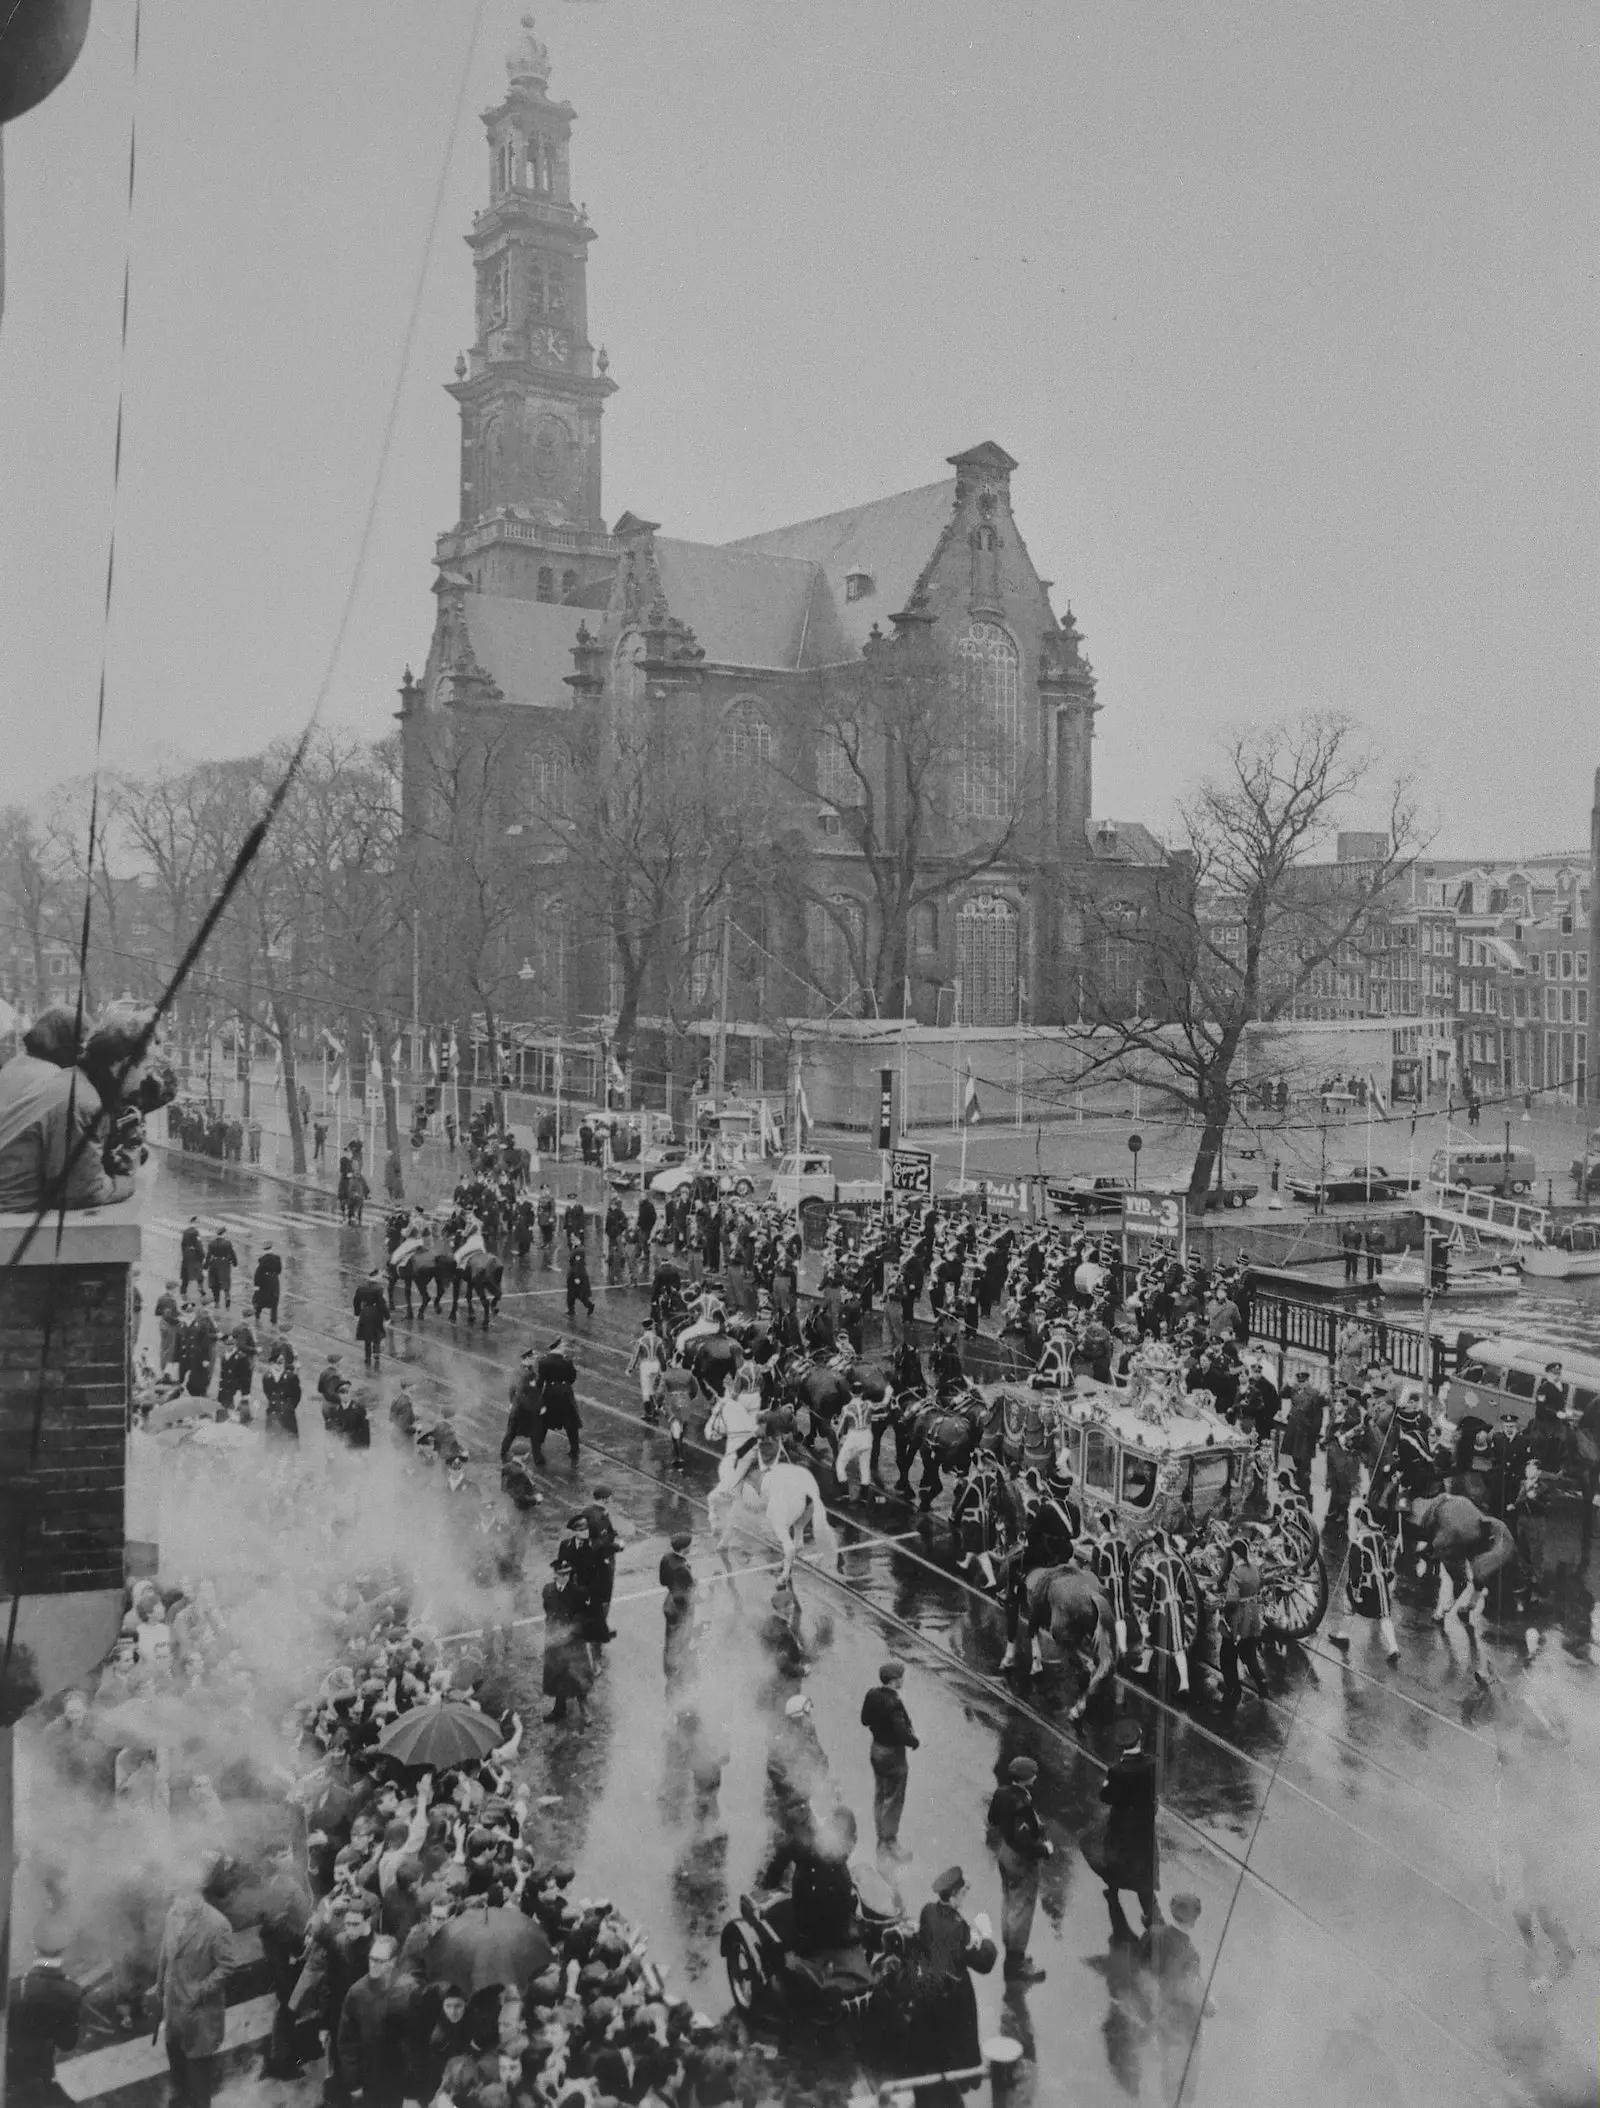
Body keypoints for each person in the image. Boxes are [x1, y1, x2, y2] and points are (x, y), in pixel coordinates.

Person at [154, 1862, 235, 2108]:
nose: (176, 1901)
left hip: (199, 2017)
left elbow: (228, 1965)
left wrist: (200, 1990)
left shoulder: (217, 1925)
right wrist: (160, 1989)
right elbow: (165, 1956)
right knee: (177, 2073)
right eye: (175, 1896)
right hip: (173, 2011)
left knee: (198, 2083)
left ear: (196, 1894)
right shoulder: (173, 1915)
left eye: (181, 1895)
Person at [1082, 1719, 1162, 1945]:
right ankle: (1151, 1910)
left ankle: (1113, 1890)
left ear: (1120, 1746)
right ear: (1140, 1738)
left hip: (1122, 1822)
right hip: (1144, 1824)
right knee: (1144, 1861)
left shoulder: (1116, 1770)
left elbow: (1105, 1797)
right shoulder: (1152, 1764)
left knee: (1114, 1855)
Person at [913, 1868, 997, 2073]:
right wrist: (985, 1936)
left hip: (927, 1986)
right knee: (956, 2044)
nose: (964, 1898)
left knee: (931, 2042)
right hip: (952, 1994)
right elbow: (984, 1963)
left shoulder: (928, 1911)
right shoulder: (959, 1928)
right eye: (962, 1894)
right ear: (952, 1897)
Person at [986, 1755, 1053, 1983]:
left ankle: (1010, 1948)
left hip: (1005, 1852)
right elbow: (1025, 1842)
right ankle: (1016, 1963)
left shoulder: (1002, 1793)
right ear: (1026, 1779)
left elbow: (993, 1819)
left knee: (1009, 1900)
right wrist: (1045, 1849)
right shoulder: (1022, 1804)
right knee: (1022, 1910)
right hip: (1020, 1861)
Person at [6, 1929, 83, 2108]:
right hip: (41, 2082)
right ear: (63, 1951)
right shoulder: (71, 1991)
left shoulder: (14, 1987)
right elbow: (67, 2043)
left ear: (35, 1949)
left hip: (10, 2082)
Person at [335, 1933, 408, 2108]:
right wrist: (354, 2083)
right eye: (371, 1959)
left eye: (379, 1960)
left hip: (397, 2078)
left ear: (392, 1962)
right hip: (369, 2080)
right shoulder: (357, 1993)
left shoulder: (406, 1988)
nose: (373, 1964)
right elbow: (346, 2042)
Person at [859, 1659, 918, 1861]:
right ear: (894, 1681)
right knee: (894, 1798)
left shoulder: (872, 1695)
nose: (903, 1680)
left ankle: (880, 1833)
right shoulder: (894, 1703)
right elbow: (901, 1733)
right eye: (900, 1677)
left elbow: (864, 1720)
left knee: (881, 1793)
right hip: (894, 1755)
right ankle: (889, 1841)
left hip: (876, 1750)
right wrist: (914, 1742)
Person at [1326, 1502, 1400, 1664]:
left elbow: (1355, 1571)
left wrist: (1355, 1590)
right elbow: (1386, 1562)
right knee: (1384, 1616)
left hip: (1364, 1584)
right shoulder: (1380, 1537)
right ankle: (1393, 1647)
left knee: (1349, 1606)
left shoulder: (1357, 1542)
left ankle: (1344, 1635)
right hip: (1380, 1584)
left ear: (1361, 1521)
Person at [1217, 1538, 1271, 1709]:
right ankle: (1261, 1683)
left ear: (1235, 1553)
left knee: (1227, 1655)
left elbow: (1232, 1601)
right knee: (1249, 1655)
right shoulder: (1254, 1569)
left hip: (1238, 1619)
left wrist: (1224, 1615)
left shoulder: (1236, 1574)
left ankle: (1233, 1688)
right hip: (1252, 1615)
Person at [659, 1529, 696, 1683]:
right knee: (682, 1636)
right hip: (681, 1607)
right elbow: (691, 1587)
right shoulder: (683, 1569)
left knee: (670, 1636)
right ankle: (679, 1668)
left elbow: (663, 1581)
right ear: (684, 1548)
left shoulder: (666, 1558)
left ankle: (669, 1665)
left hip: (669, 1603)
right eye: (690, 1545)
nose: (691, 1547)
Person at [354, 1270, 389, 1371]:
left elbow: (356, 1301)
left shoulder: (361, 1288)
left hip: (365, 1312)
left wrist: (357, 1313)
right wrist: (387, 1317)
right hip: (376, 1313)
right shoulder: (379, 1289)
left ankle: (367, 1357)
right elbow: (382, 1304)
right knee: (377, 1334)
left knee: (367, 1336)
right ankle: (376, 1355)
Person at [204, 1227, 237, 1309]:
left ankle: (216, 1302)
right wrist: (234, 1263)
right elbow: (232, 1253)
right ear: (224, 1233)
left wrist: (205, 1266)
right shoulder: (227, 1243)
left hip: (214, 1264)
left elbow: (208, 1255)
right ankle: (227, 1296)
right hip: (224, 1264)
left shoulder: (211, 1243)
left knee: (215, 1284)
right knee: (225, 1281)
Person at [155, 1279, 184, 1374]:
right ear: (173, 1289)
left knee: (165, 1346)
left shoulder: (162, 1297)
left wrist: (179, 1314)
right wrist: (179, 1320)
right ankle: (165, 1370)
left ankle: (164, 1368)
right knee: (168, 1348)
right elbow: (168, 1316)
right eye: (176, 1289)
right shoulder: (169, 1300)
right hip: (169, 1325)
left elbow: (158, 1312)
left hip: (163, 1323)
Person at [252, 1243, 283, 1326]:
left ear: (264, 1250)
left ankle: (257, 1315)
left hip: (265, 1281)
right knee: (274, 1302)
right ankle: (274, 1321)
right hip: (274, 1281)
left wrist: (256, 1287)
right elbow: (279, 1271)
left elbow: (258, 1274)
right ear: (271, 1248)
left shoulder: (262, 1260)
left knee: (261, 1299)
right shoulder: (277, 1258)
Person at [566, 1244, 595, 1321]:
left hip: (577, 1279)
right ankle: (571, 1310)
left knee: (580, 1296)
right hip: (574, 1277)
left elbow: (577, 1266)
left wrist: (576, 1277)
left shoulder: (579, 1253)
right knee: (571, 1296)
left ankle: (589, 1306)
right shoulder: (576, 1250)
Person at [179, 1221, 206, 1303]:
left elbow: (182, 1244)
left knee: (186, 1274)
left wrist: (185, 1254)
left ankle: (183, 1291)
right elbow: (198, 1245)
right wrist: (202, 1256)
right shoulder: (196, 1232)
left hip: (187, 1255)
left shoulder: (185, 1232)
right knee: (199, 1272)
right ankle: (200, 1286)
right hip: (195, 1255)